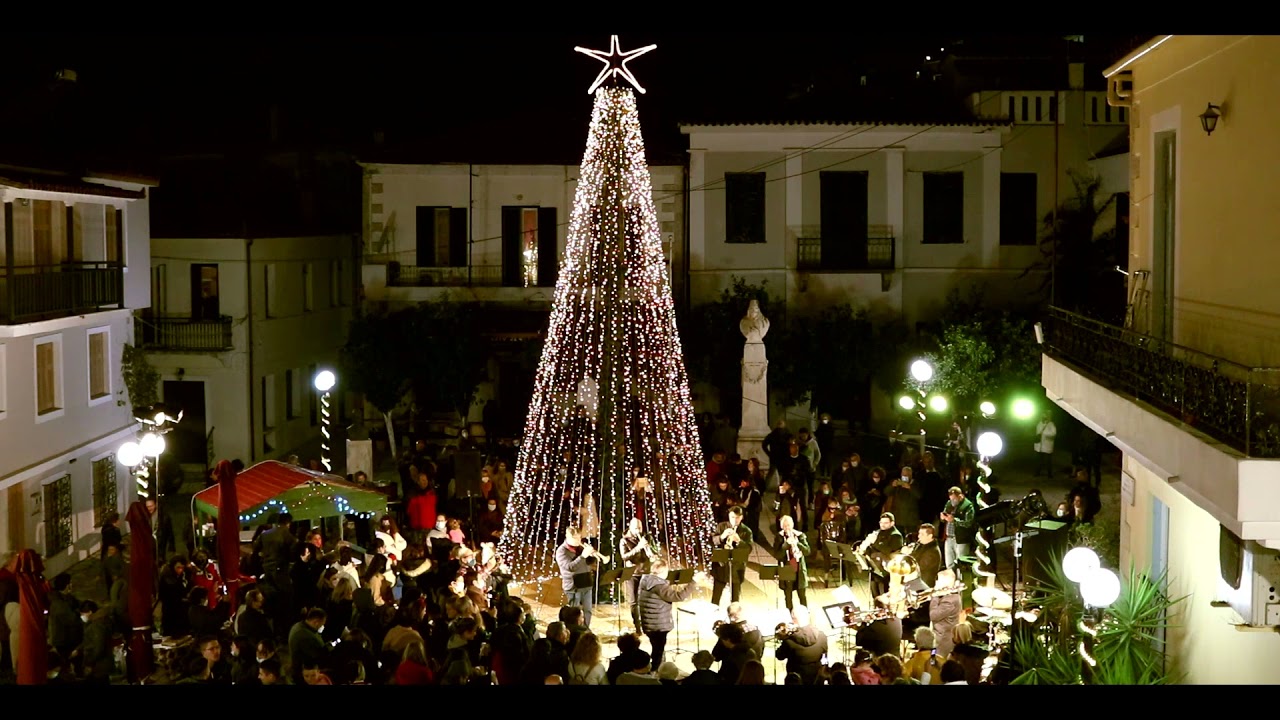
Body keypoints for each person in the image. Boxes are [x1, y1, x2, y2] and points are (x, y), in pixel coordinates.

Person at [636, 558, 699, 665]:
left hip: (649, 623)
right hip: (658, 625)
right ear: (662, 572)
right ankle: (655, 671)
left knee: (656, 647)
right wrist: (693, 582)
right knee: (658, 651)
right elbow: (678, 596)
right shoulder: (659, 586)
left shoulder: (646, 580)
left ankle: (659, 665)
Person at [555, 525, 603, 628]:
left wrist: (592, 555)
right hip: (573, 586)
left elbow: (588, 562)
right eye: (576, 538)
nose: (578, 540)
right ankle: (574, 631)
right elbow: (570, 567)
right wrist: (582, 556)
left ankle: (585, 629)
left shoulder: (581, 548)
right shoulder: (561, 551)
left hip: (586, 582)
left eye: (579, 537)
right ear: (568, 537)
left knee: (588, 610)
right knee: (574, 613)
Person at [774, 605, 827, 685]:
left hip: (796, 679)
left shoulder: (789, 641)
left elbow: (779, 656)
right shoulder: (822, 636)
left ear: (793, 619)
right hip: (817, 678)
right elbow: (825, 656)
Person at [711, 506, 753, 605]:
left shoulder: (746, 531)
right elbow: (712, 541)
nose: (734, 520)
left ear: (741, 517)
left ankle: (734, 616)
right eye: (732, 517)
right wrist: (722, 537)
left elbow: (749, 549)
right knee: (716, 597)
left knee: (735, 599)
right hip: (721, 566)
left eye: (737, 518)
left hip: (737, 568)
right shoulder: (721, 526)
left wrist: (739, 541)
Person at [618, 518, 653, 633]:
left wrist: (651, 550)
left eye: (640, 527)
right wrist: (638, 547)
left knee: (646, 600)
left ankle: (647, 624)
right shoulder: (624, 540)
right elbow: (624, 556)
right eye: (636, 528)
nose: (639, 530)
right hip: (632, 573)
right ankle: (638, 627)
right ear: (631, 528)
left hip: (646, 571)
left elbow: (653, 551)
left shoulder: (646, 537)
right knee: (634, 602)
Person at [774, 514, 810, 610]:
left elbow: (807, 551)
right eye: (785, 526)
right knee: (788, 596)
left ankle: (804, 613)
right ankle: (790, 614)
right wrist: (786, 545)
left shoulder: (800, 535)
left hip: (799, 568)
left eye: (788, 525)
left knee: (802, 595)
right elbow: (777, 555)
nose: (787, 528)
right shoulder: (779, 537)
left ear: (792, 525)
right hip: (787, 568)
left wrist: (797, 543)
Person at [940, 486, 976, 572]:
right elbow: (945, 513)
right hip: (948, 538)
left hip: (961, 540)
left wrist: (954, 521)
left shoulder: (968, 506)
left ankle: (960, 582)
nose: (953, 501)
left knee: (961, 564)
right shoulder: (949, 504)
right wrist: (943, 517)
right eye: (951, 499)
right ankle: (950, 581)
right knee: (949, 563)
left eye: (954, 499)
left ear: (961, 496)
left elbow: (969, 523)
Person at [1034, 410, 1058, 477]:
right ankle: (1037, 472)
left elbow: (1054, 433)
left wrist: (1044, 434)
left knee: (1048, 461)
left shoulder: (1051, 424)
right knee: (1039, 461)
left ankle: (1049, 474)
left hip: (1047, 446)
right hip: (1039, 446)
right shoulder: (1039, 423)